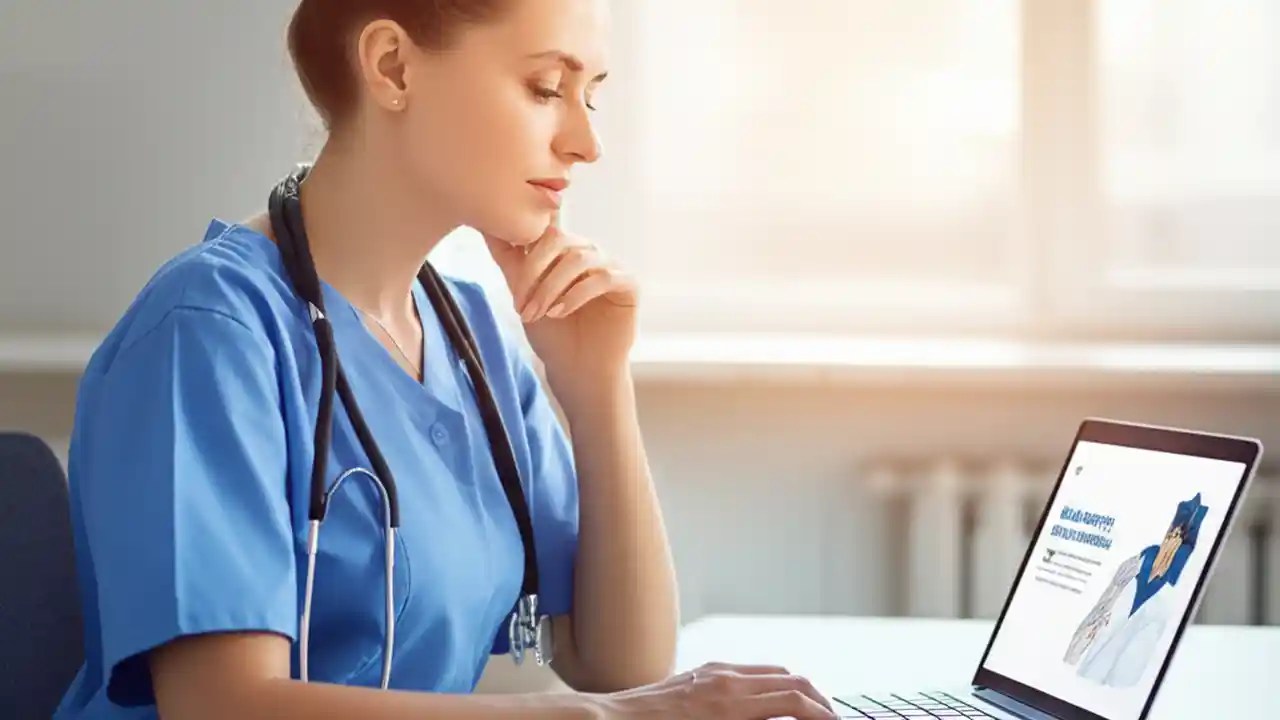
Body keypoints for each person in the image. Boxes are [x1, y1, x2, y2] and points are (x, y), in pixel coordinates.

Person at [52, 1, 837, 718]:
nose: (586, 143)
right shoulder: (210, 328)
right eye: (545, 88)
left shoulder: (470, 333)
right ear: (393, 67)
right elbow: (221, 705)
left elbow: (618, 662)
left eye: (590, 97)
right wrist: (605, 719)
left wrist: (598, 386)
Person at [1062, 493, 1208, 688]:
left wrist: (1195, 516)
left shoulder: (1174, 561)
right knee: (1104, 649)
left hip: (1142, 614)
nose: (1172, 537)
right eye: (1171, 534)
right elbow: (1117, 584)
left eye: (1176, 536)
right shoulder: (1152, 554)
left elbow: (1188, 545)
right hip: (1124, 607)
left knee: (1123, 653)